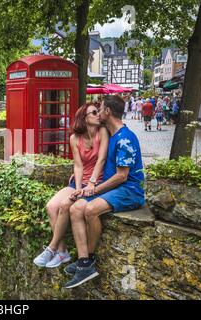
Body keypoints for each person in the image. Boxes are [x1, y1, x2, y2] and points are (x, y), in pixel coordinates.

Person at [63, 95, 145, 289]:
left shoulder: (124, 138)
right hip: (112, 189)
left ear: (108, 112)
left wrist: (93, 189)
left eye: (100, 109)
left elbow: (121, 176)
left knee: (90, 209)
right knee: (75, 210)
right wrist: (83, 185)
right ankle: (84, 263)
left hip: (128, 190)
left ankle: (88, 261)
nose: (98, 112)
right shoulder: (112, 134)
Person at [33, 103, 109, 269]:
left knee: (66, 204)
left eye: (98, 111)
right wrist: (77, 189)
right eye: (94, 112)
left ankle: (52, 247)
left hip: (97, 181)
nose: (98, 114)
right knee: (51, 206)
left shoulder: (102, 132)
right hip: (80, 182)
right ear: (84, 118)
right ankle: (62, 251)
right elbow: (78, 166)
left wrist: (91, 183)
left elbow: (101, 160)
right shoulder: (75, 138)